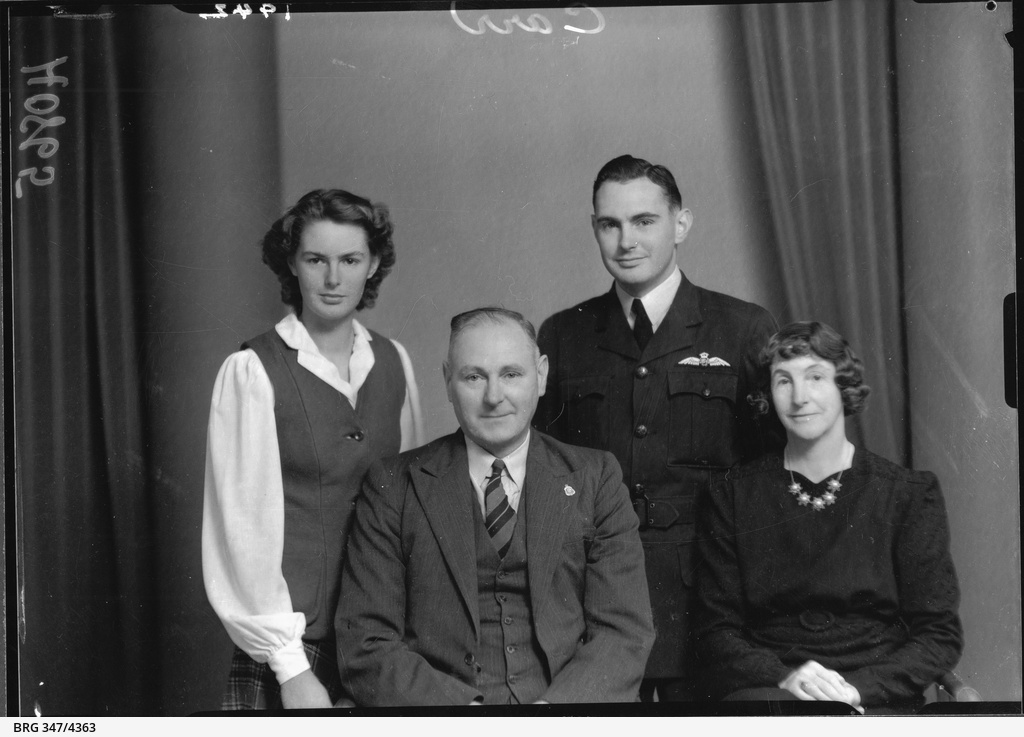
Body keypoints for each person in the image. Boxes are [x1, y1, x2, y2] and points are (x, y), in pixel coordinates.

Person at [533, 154, 779, 700]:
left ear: (681, 225)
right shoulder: (562, 335)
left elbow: (769, 477)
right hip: (591, 599)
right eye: (609, 224)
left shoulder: (743, 328)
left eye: (644, 221)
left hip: (708, 602)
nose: (627, 241)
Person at [335, 307, 654, 705]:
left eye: (511, 374)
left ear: (541, 375)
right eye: (473, 376)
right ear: (447, 381)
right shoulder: (393, 485)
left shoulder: (596, 478)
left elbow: (623, 632)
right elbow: (365, 640)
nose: (493, 396)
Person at [202, 188, 424, 710]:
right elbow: (241, 532)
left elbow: (412, 511)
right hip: (291, 651)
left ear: (372, 266)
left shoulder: (395, 363)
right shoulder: (253, 370)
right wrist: (290, 667)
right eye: (315, 259)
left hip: (381, 638)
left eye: (350, 260)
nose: (333, 278)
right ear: (292, 266)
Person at [694, 321, 963, 714]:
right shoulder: (731, 494)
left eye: (816, 377)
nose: (799, 397)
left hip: (876, 693)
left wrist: (857, 690)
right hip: (770, 690)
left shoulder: (906, 493)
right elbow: (714, 631)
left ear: (845, 386)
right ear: (769, 393)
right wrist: (784, 676)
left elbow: (939, 634)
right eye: (783, 381)